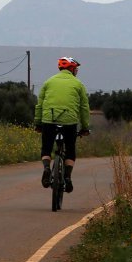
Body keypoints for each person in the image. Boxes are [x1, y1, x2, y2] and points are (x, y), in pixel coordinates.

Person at [34, 56, 90, 192]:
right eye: (76, 69)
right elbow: (84, 108)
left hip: (49, 121)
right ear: (71, 69)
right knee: (70, 149)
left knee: (46, 148)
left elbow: (39, 105)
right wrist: (85, 127)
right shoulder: (78, 84)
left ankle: (47, 168)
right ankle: (68, 177)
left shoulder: (48, 82)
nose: (76, 71)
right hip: (69, 122)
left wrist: (38, 124)